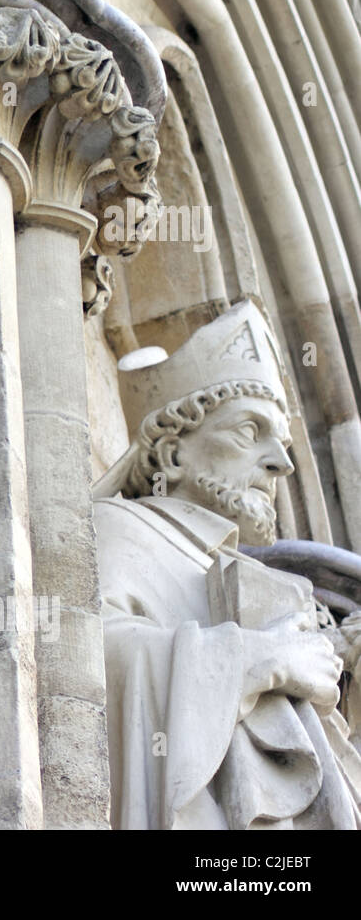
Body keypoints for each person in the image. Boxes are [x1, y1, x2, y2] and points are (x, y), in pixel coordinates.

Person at [94, 301, 361, 828]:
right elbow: (88, 659)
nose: (281, 464)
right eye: (248, 431)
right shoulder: (121, 528)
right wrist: (264, 660)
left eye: (283, 445)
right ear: (172, 455)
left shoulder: (265, 577)